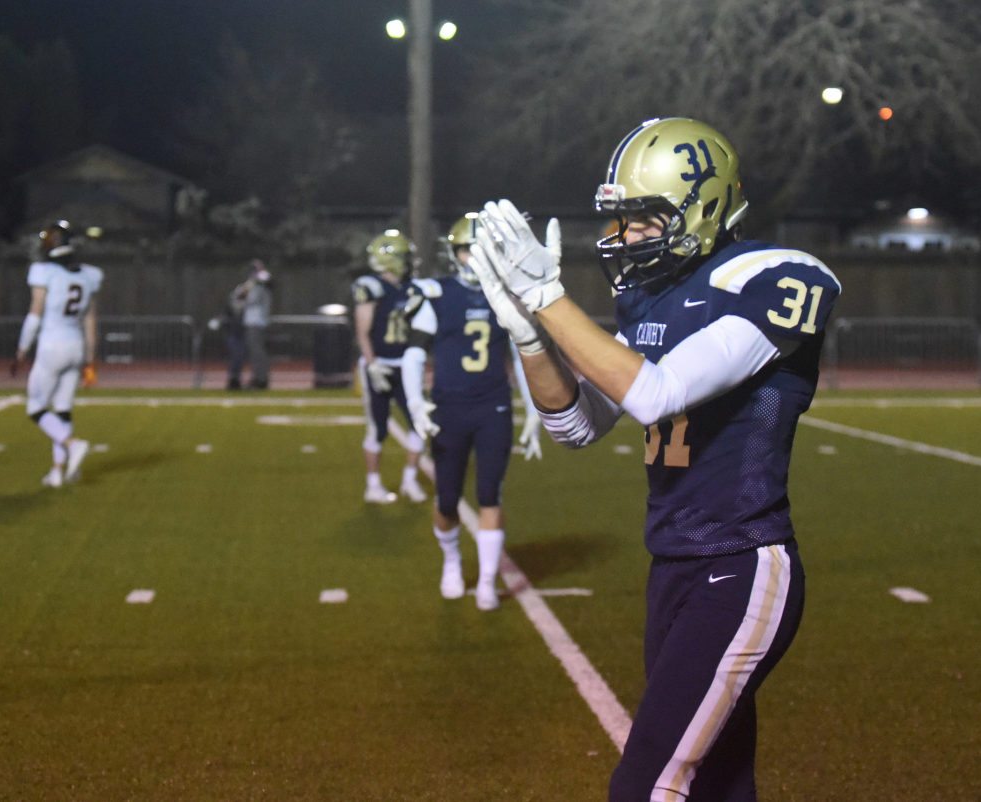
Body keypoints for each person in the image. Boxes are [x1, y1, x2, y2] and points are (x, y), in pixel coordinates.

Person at [470, 117, 841, 800]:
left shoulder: (778, 277)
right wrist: (527, 333)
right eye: (621, 220)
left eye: (645, 218)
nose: (628, 236)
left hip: (741, 562)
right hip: (673, 564)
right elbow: (575, 425)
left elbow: (657, 394)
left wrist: (550, 300)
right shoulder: (649, 295)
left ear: (701, 205)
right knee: (718, 785)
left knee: (647, 786)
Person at [400, 214, 543, 611]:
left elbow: (522, 354)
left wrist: (533, 411)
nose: (473, 259)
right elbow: (413, 353)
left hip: (492, 405)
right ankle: (451, 562)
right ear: (455, 253)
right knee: (447, 498)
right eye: (467, 250)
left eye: (481, 252)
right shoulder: (437, 293)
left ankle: (484, 582)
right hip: (449, 406)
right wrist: (415, 402)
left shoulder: (506, 296)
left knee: (489, 494)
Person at [12, 220, 103, 488]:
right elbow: (91, 323)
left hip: (52, 345)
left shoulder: (44, 271)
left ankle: (72, 445)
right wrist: (90, 361)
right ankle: (60, 472)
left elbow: (34, 315)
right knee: (62, 411)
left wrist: (21, 349)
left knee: (36, 408)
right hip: (76, 347)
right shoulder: (88, 275)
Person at [351, 229, 427, 504]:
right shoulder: (370, 286)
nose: (408, 262)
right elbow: (363, 332)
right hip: (379, 364)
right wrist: (372, 366)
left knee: (420, 423)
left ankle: (409, 481)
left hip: (405, 365)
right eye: (404, 256)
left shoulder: (410, 287)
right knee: (377, 429)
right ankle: (373, 486)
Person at [242, 260, 273, 389]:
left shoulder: (260, 282)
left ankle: (261, 378)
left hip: (257, 321)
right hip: (253, 321)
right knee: (255, 352)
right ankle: (257, 376)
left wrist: (248, 288)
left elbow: (250, 299)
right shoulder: (254, 283)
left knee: (257, 351)